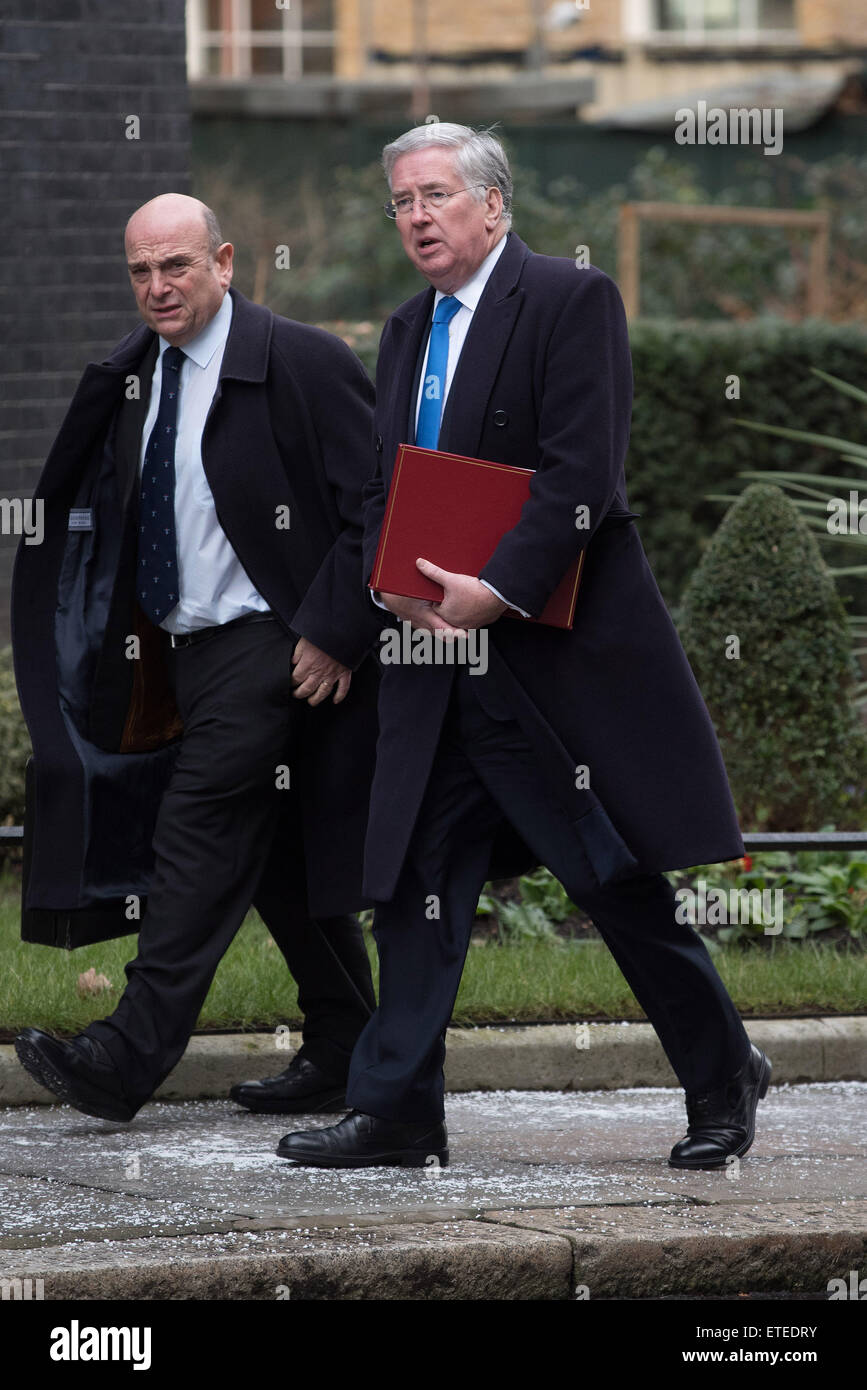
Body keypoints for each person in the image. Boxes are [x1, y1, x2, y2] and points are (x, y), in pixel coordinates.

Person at [276, 124, 771, 1171]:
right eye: (400, 200)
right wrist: (381, 599)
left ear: (493, 205)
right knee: (417, 880)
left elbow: (580, 475)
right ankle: (398, 1109)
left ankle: (725, 1073)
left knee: (611, 883)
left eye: (436, 195)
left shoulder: (568, 299)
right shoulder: (406, 329)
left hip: (549, 669)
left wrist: (495, 591)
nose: (415, 215)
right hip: (433, 668)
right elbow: (386, 495)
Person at [13, 193, 383, 1123]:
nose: (157, 286)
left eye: (175, 265)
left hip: (270, 643)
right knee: (279, 860)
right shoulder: (136, 375)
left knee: (198, 833)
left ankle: (123, 1054)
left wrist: (334, 628)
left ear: (224, 262)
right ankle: (349, 1046)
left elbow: (375, 504)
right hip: (172, 656)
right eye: (139, 270)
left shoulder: (302, 361)